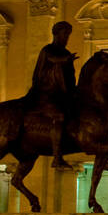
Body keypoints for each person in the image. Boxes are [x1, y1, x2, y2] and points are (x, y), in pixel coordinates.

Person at [27, 21, 78, 170]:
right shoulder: (48, 50)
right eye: (64, 34)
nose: (66, 38)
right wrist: (65, 61)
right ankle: (57, 156)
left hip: (62, 93)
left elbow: (70, 75)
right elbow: (53, 60)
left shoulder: (66, 53)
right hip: (45, 92)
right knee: (59, 116)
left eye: (68, 35)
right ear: (56, 34)